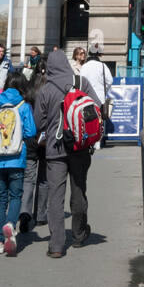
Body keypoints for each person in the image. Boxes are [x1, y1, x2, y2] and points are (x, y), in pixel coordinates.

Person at [34, 49, 102, 258]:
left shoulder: (46, 89)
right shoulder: (81, 83)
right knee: (79, 190)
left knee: (55, 196)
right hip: (80, 147)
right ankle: (80, 234)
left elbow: (38, 122)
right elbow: (96, 108)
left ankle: (56, 245)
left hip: (55, 149)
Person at [0, 70, 37, 256]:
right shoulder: (23, 106)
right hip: (17, 158)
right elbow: (31, 132)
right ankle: (10, 224)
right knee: (15, 196)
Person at [18, 68, 48, 234]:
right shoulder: (50, 95)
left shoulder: (27, 98)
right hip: (45, 140)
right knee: (43, 178)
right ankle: (41, 214)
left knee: (28, 178)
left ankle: (25, 212)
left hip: (29, 140)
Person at [78, 46, 113, 148]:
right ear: (98, 55)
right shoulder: (102, 66)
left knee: (87, 118)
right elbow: (110, 80)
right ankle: (97, 143)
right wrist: (104, 88)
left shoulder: (84, 66)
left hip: (86, 97)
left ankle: (88, 140)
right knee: (100, 118)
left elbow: (81, 80)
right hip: (99, 96)